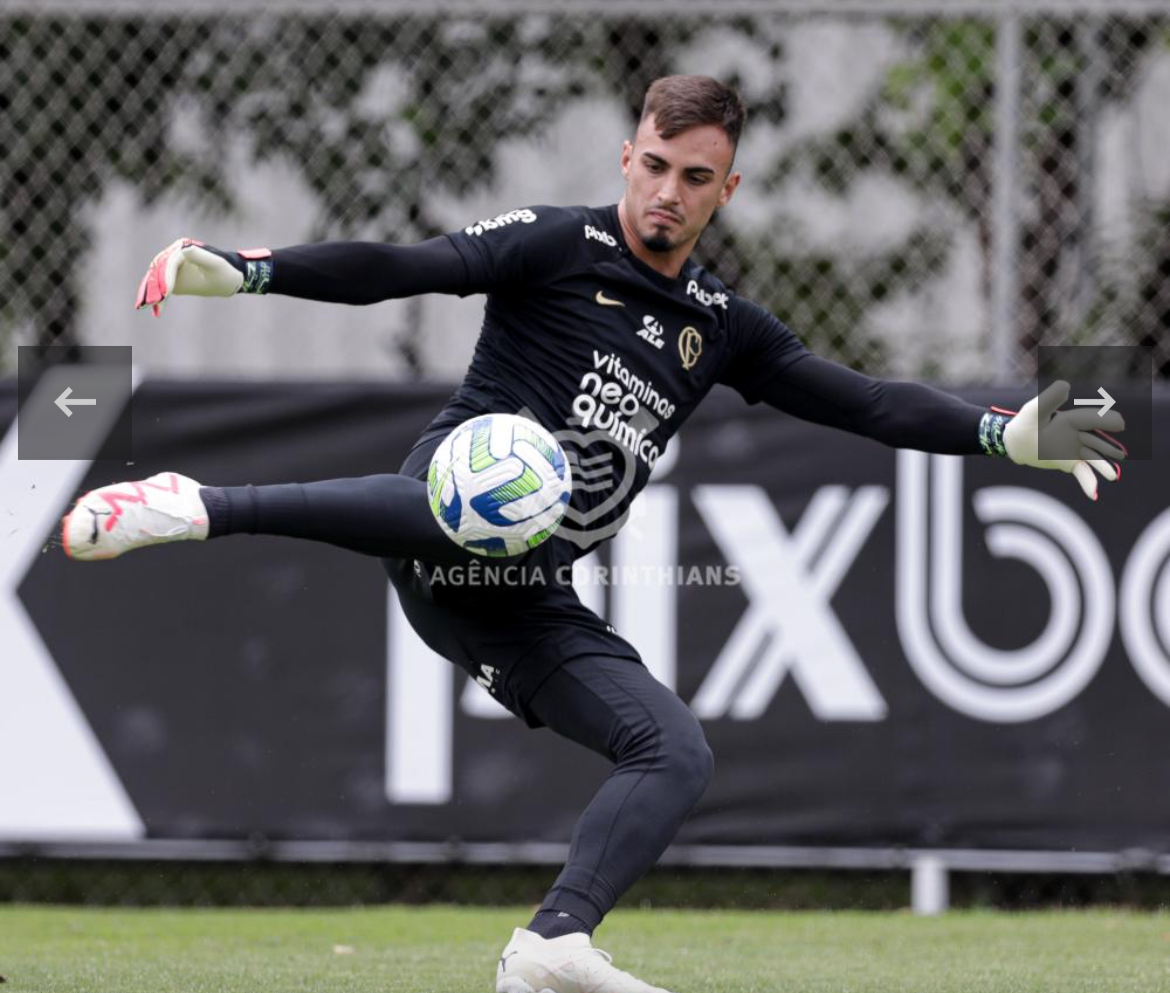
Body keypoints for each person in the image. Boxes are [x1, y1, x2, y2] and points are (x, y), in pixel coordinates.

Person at [62, 76, 1126, 993]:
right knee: (510, 495)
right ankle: (196, 505)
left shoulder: (721, 326)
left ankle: (551, 943)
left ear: (726, 189)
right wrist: (253, 271)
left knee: (673, 750)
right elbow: (402, 264)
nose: (667, 192)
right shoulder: (554, 245)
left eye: (694, 177)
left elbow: (864, 401)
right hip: (444, 514)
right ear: (628, 154)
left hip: (527, 599)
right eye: (654, 164)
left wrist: (1001, 432)